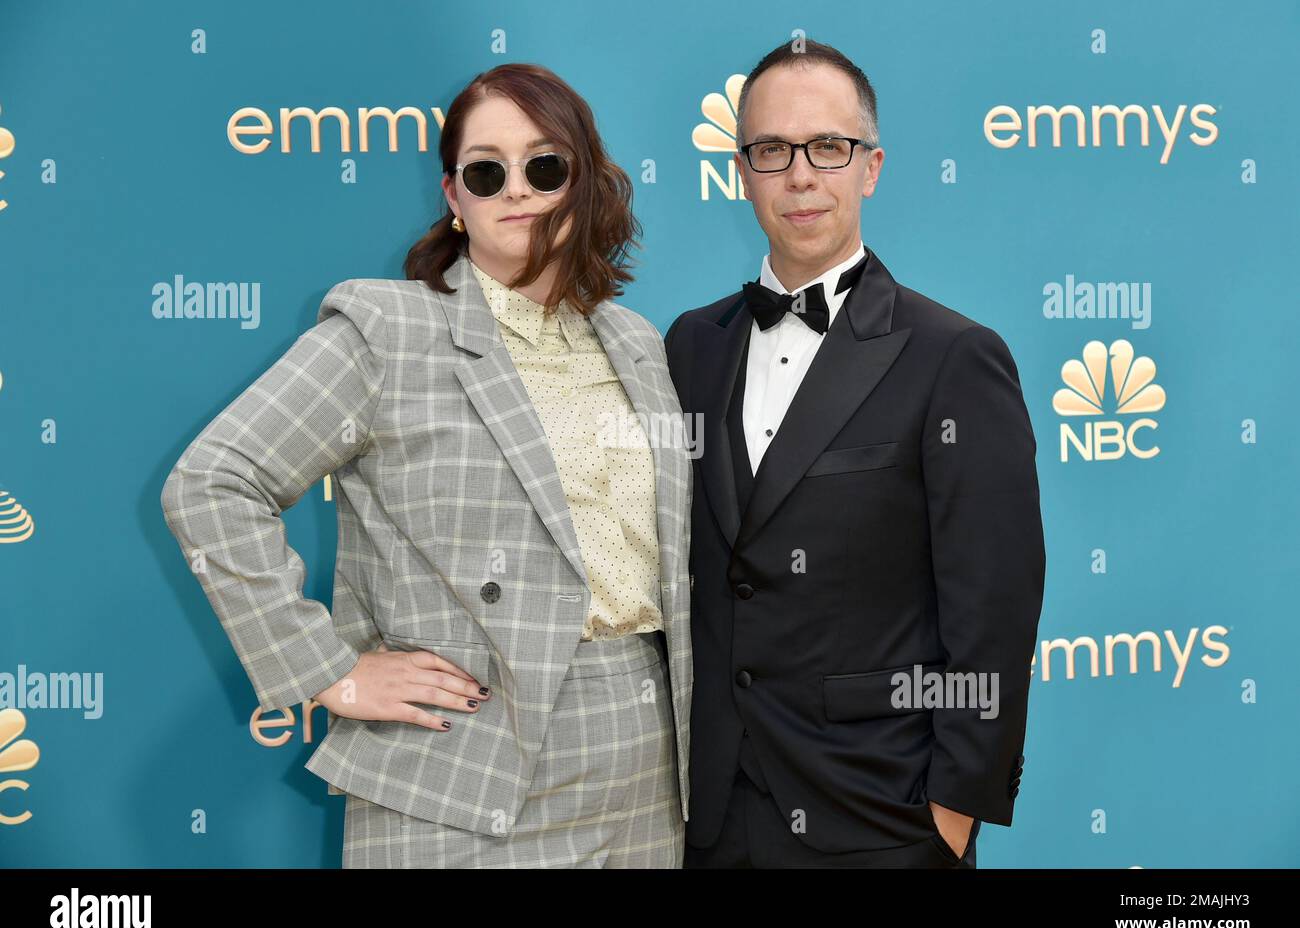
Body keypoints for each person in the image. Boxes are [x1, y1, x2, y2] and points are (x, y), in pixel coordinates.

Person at [160, 62, 692, 868]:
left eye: (544, 166)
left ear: (585, 181)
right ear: (454, 197)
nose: (516, 189)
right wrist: (327, 671)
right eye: (486, 172)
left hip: (646, 756)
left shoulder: (637, 343)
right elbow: (212, 483)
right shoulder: (389, 330)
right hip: (464, 763)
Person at [664, 39, 1046, 868]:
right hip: (714, 817)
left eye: (827, 148)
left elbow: (994, 611)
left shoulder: (953, 356)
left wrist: (953, 814)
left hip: (882, 818)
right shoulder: (692, 345)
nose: (800, 175)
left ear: (870, 167)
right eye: (772, 150)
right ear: (743, 172)